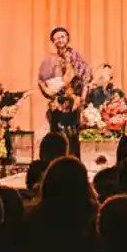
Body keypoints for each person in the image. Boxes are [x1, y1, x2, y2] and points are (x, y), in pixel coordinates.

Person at [38, 26, 91, 158]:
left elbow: (84, 77)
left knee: (72, 134)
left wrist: (79, 97)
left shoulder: (75, 56)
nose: (60, 40)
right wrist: (49, 91)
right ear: (53, 42)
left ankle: (72, 160)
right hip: (57, 102)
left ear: (67, 38)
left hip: (73, 101)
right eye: (56, 38)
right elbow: (43, 80)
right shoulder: (51, 60)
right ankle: (56, 160)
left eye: (62, 37)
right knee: (57, 133)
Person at [85, 63, 127, 135]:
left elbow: (125, 112)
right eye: (102, 73)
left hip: (114, 129)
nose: (102, 76)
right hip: (96, 130)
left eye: (107, 73)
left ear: (111, 78)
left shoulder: (117, 92)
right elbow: (89, 110)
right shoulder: (93, 93)